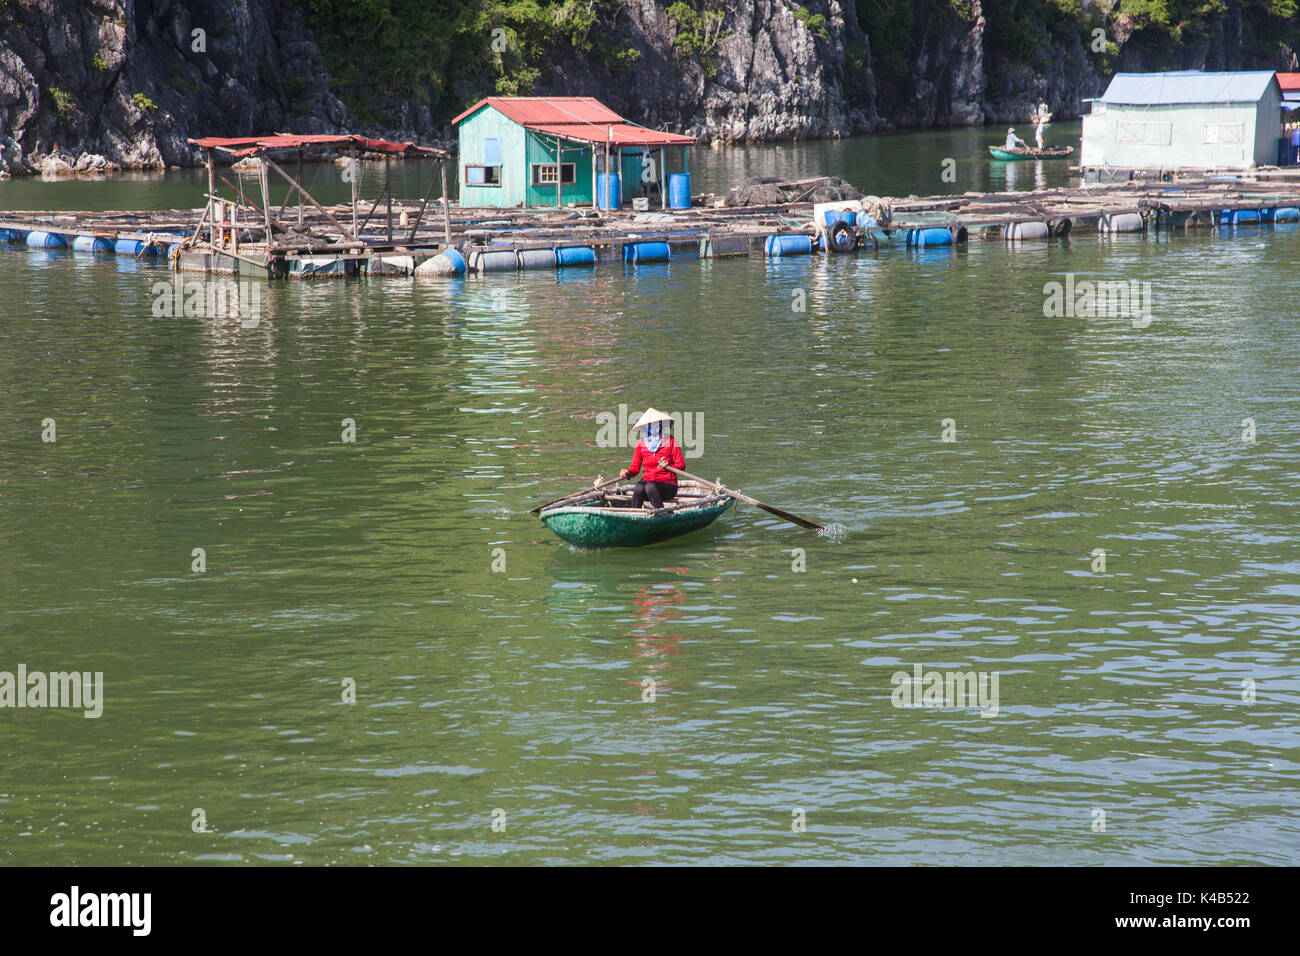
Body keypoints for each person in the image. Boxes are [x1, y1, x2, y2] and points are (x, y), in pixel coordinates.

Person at [619, 407, 685, 510]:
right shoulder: (641, 443)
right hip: (648, 485)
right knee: (639, 488)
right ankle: (633, 514)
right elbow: (635, 469)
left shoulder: (670, 440)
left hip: (668, 485)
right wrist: (627, 472)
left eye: (656, 424)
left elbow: (681, 465)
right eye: (650, 425)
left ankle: (662, 513)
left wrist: (668, 466)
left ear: (661, 425)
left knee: (650, 486)